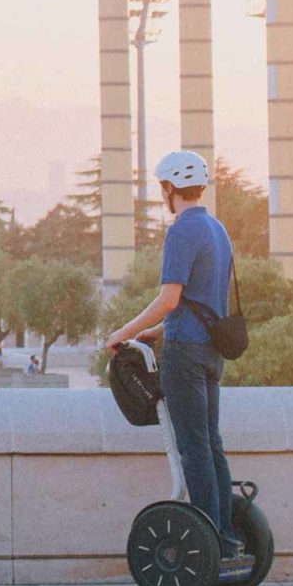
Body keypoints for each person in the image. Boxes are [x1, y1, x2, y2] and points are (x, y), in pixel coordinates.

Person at [104, 150, 244, 557]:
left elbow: (170, 298)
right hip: (211, 353)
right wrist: (154, 332)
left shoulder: (182, 231)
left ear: (168, 190)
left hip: (185, 355)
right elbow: (203, 303)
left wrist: (123, 332)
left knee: (193, 446)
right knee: (210, 442)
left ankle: (209, 541)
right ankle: (225, 534)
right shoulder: (218, 230)